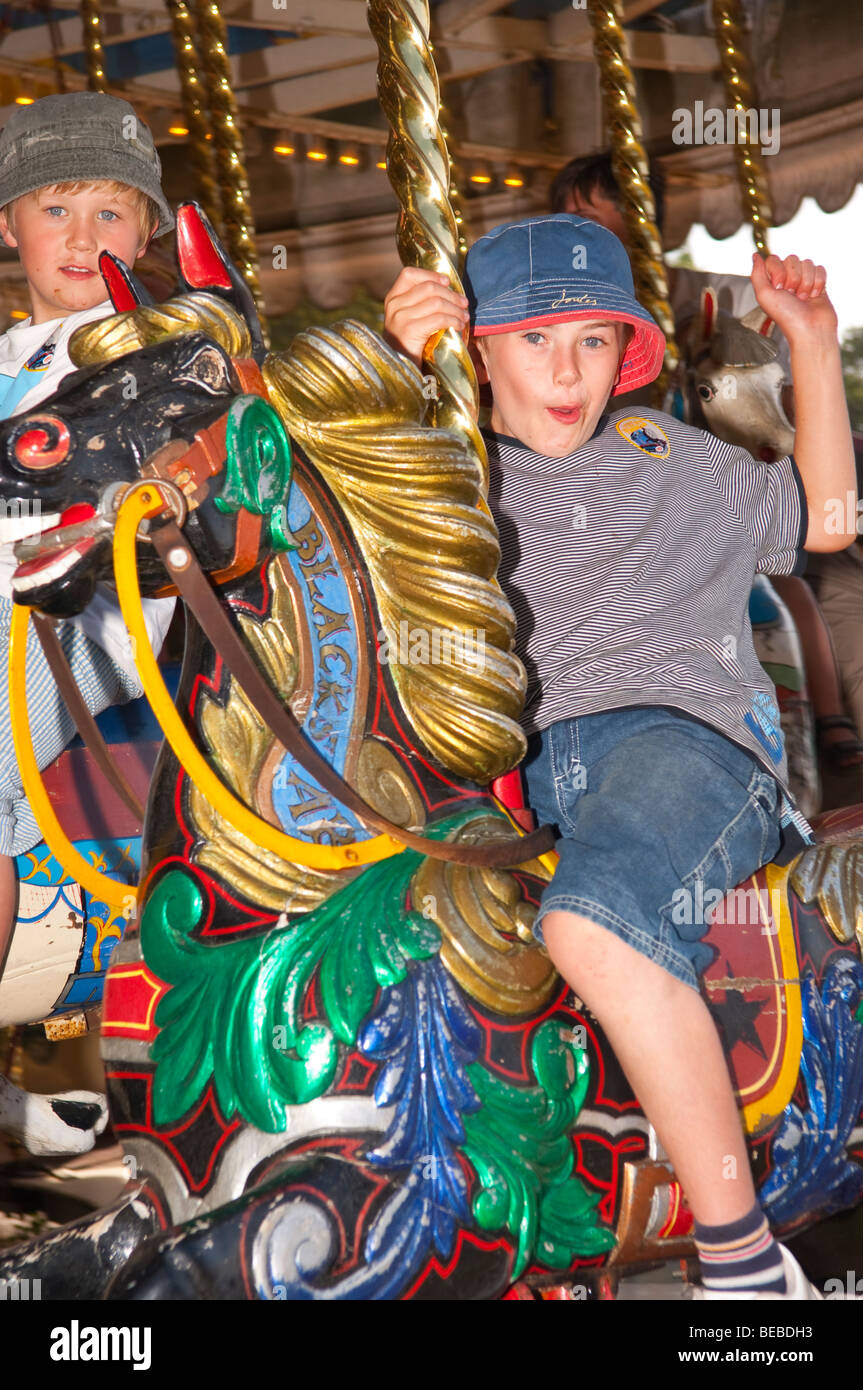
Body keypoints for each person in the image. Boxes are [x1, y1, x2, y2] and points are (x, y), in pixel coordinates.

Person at [383, 214, 856, 1298]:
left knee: (588, 920)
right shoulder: (440, 476)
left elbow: (826, 517)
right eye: (531, 339)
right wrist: (388, 357)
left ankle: (743, 1258)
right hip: (523, 764)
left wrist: (811, 342)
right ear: (477, 350)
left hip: (685, 745)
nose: (564, 371)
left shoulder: (673, 458)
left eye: (591, 341)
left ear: (624, 353)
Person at [552, 151, 863, 773]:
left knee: (790, 582)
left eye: (588, 211)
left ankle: (826, 721)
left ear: (640, 214)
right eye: (566, 215)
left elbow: (774, 415)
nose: (575, 227)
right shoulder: (569, 311)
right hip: (624, 506)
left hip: (717, 482)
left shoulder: (715, 299)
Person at [0, 92, 176, 972]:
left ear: (144, 235)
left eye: (109, 212)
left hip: (89, 613)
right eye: (55, 209)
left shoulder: (154, 352)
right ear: (9, 226)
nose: (81, 239)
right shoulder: (7, 360)